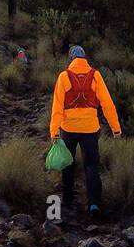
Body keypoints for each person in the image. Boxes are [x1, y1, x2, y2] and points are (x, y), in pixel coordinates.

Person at [48, 45, 121, 218]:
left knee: (67, 164)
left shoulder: (64, 76)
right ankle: (94, 204)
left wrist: (54, 131)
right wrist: (115, 128)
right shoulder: (95, 75)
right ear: (84, 58)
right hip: (90, 129)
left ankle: (67, 200)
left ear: (71, 59)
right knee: (91, 166)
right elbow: (107, 103)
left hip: (68, 129)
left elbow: (57, 106)